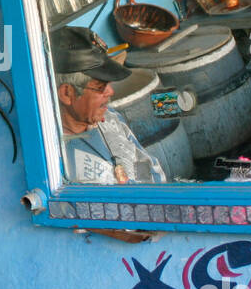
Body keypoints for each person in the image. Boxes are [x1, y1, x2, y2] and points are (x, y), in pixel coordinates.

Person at [52, 27, 166, 185]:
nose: (110, 91)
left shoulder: (109, 117)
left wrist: (146, 191)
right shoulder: (56, 163)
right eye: (100, 87)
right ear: (67, 94)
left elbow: (144, 162)